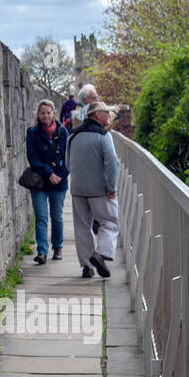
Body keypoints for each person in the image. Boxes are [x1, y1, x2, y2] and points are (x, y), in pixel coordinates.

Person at [66, 101, 120, 278]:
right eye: (106, 113)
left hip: (78, 188)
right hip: (100, 190)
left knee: (82, 227)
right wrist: (111, 187)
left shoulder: (72, 135)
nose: (108, 117)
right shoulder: (104, 136)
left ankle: (87, 267)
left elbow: (67, 163)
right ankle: (100, 254)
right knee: (109, 223)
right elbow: (112, 162)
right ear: (97, 115)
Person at [26, 100, 68, 265]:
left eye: (48, 113)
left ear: (54, 114)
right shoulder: (32, 132)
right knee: (41, 217)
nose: (45, 116)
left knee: (57, 217)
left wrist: (60, 176)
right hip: (40, 181)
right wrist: (49, 173)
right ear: (38, 114)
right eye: (42, 113)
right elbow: (33, 158)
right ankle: (42, 252)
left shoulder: (63, 132)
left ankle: (57, 247)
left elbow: (68, 158)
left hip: (59, 181)